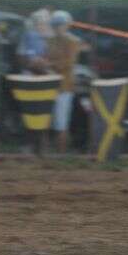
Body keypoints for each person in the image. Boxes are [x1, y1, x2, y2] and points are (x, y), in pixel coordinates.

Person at [43, 11, 87, 154]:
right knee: (48, 121)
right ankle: (51, 152)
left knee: (61, 122)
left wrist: (48, 65)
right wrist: (48, 64)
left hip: (64, 86)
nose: (57, 28)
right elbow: (47, 58)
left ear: (67, 25)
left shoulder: (73, 41)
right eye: (55, 25)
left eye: (60, 25)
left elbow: (68, 63)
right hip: (50, 85)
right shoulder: (50, 40)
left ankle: (61, 153)